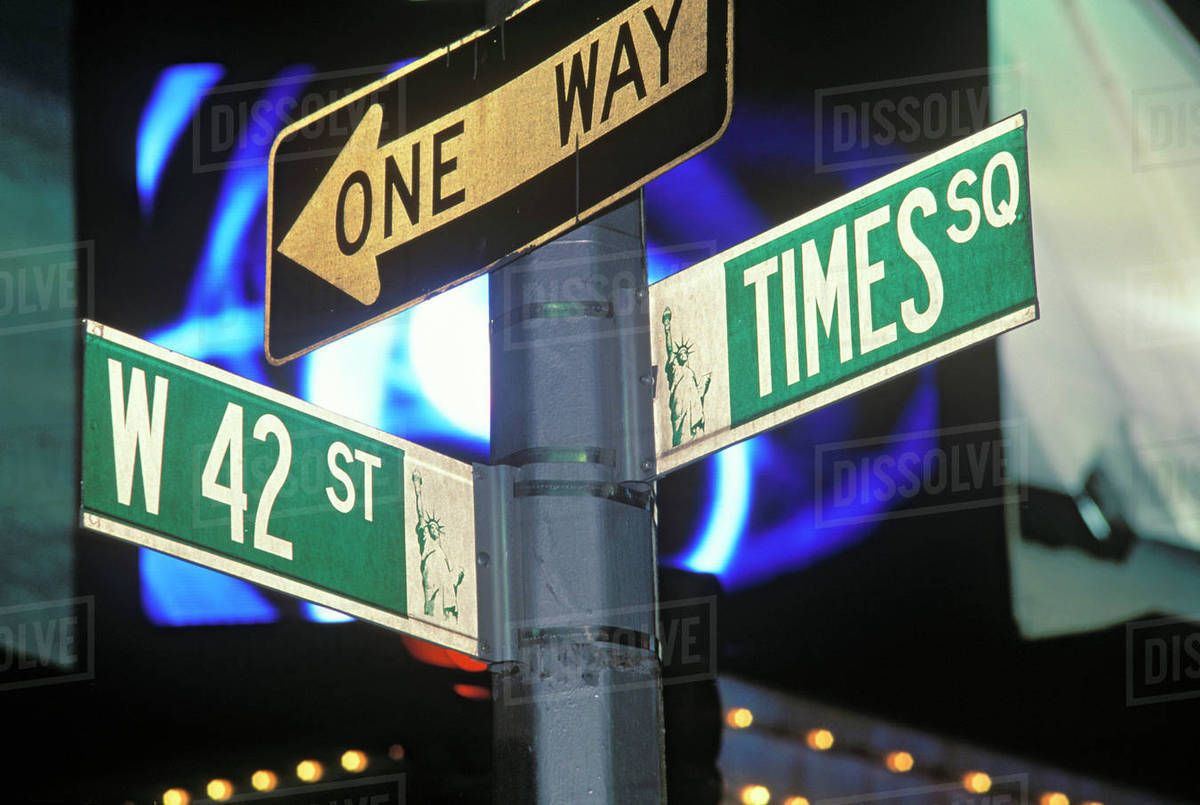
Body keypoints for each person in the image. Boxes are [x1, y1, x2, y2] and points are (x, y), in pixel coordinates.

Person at [412, 469, 465, 620]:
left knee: (446, 600)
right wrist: (418, 490)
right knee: (432, 599)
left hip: (443, 572)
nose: (434, 529)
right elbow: (421, 514)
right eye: (431, 527)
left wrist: (457, 573)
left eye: (436, 527)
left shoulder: (442, 551)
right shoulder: (426, 541)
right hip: (430, 568)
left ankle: (448, 619)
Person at [662, 307, 711, 447]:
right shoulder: (675, 368)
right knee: (679, 429)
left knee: (693, 430)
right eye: (681, 352)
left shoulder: (690, 372)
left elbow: (697, 393)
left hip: (691, 403)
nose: (684, 354)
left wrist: (705, 381)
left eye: (686, 352)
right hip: (678, 401)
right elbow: (670, 349)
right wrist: (667, 329)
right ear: (678, 356)